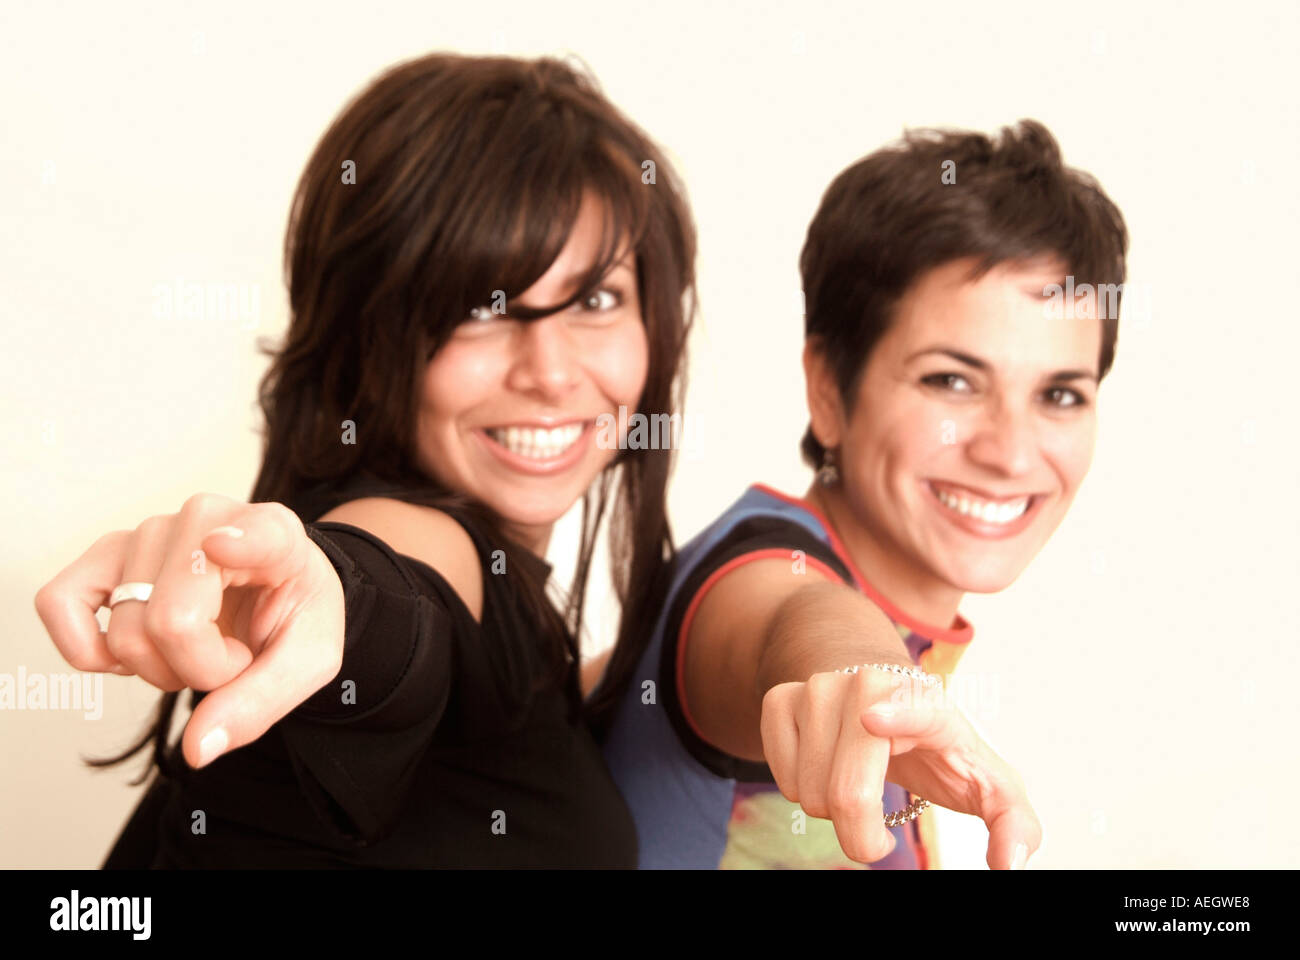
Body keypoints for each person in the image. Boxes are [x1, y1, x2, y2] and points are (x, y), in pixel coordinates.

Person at [33, 51, 698, 867]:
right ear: (368, 335)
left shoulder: (519, 638)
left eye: (595, 299)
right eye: (481, 310)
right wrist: (322, 591)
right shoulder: (417, 538)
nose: (553, 372)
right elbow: (386, 593)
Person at [597, 119, 1128, 869]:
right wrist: (864, 677)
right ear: (828, 389)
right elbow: (801, 620)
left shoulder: (917, 655)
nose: (1010, 451)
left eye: (1061, 394)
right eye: (952, 380)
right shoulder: (755, 573)